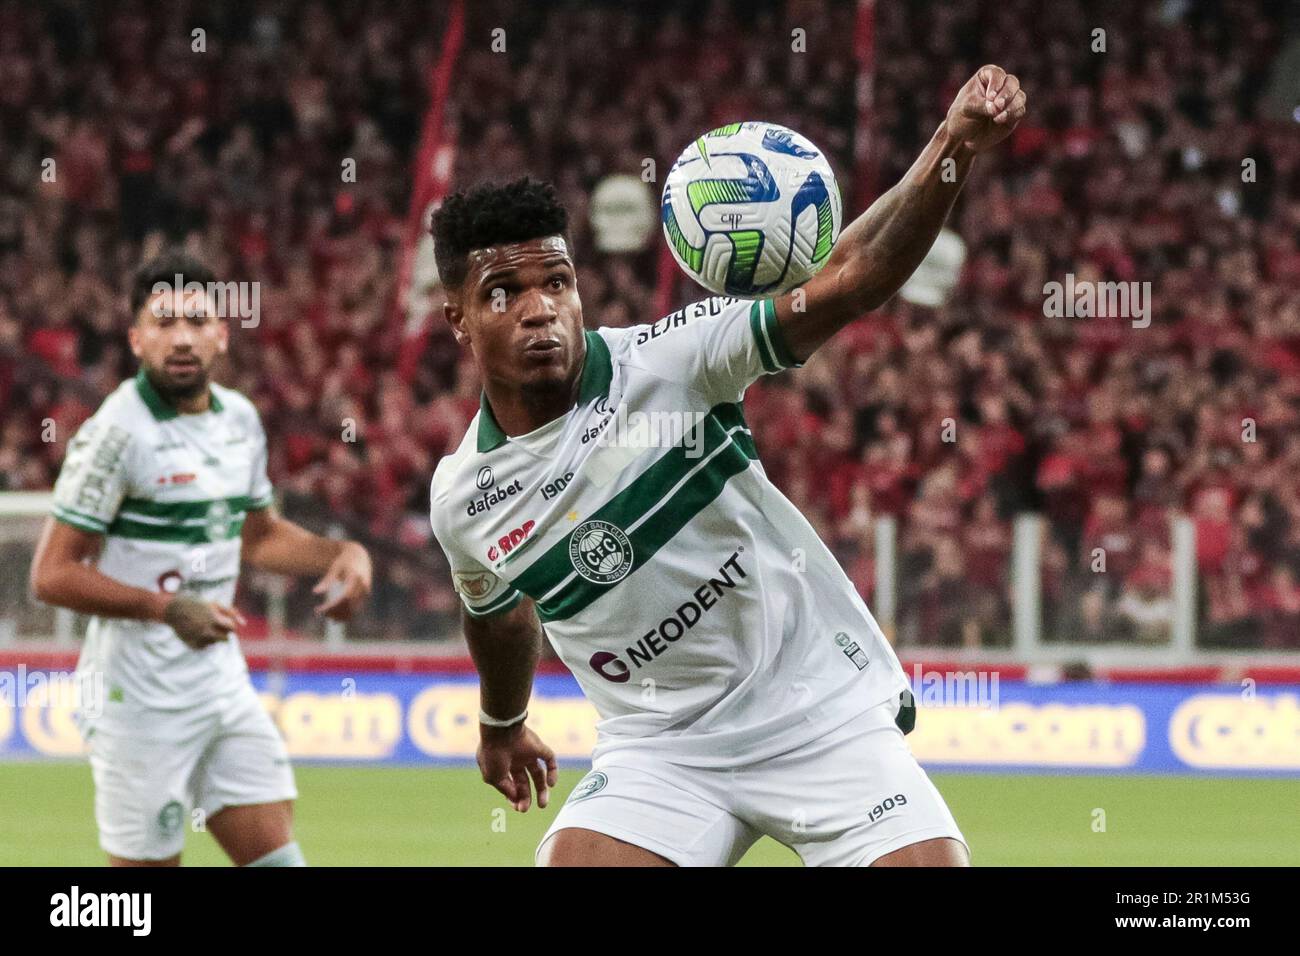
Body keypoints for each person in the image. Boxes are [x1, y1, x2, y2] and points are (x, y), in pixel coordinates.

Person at [428, 66, 1026, 866]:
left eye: (558, 282)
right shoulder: (465, 498)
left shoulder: (673, 362)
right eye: (503, 291)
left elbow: (848, 278)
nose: (539, 308)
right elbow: (498, 615)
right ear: (458, 319)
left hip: (816, 712)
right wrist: (502, 724)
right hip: (661, 748)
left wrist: (954, 143)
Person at [29, 252, 373, 867]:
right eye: (163, 323)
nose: (181, 337)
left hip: (219, 684)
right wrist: (166, 609)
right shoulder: (116, 433)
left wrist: (340, 553)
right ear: (136, 339)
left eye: (196, 321)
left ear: (221, 333)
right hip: (136, 699)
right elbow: (51, 574)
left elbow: (259, 536)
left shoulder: (238, 419)